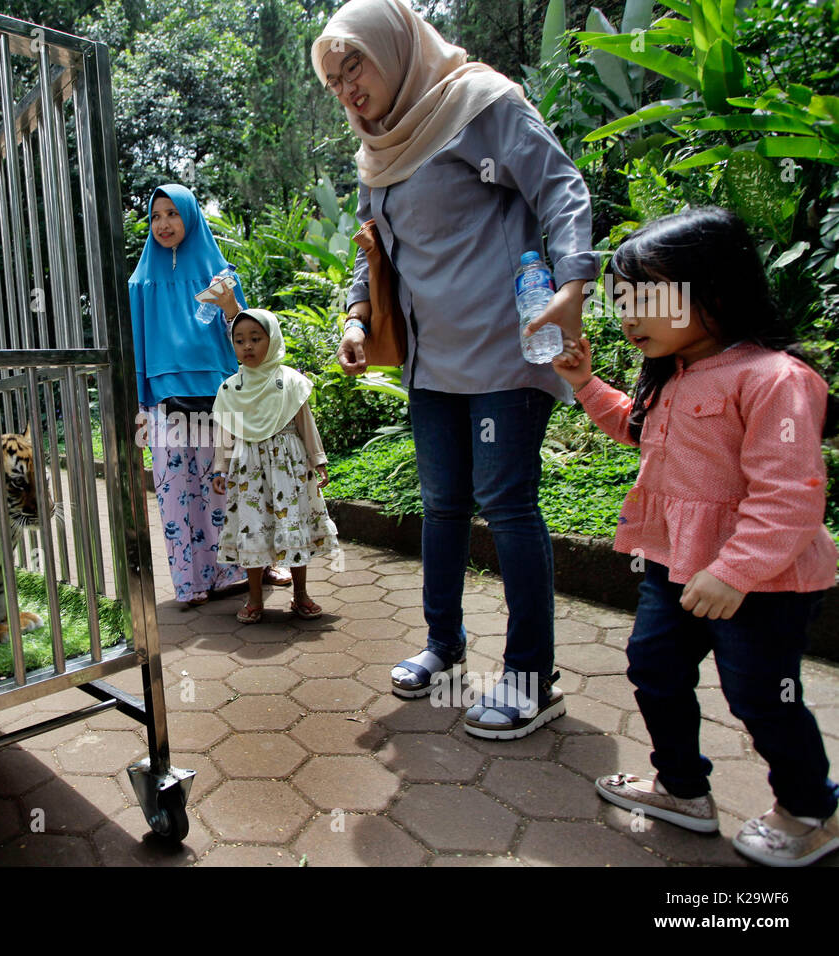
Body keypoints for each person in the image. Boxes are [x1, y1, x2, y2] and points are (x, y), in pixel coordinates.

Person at [312, 0, 599, 739]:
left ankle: (533, 679)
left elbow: (561, 185)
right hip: (430, 362)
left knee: (505, 504)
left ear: (395, 49)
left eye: (357, 69)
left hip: (507, 345)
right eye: (334, 82)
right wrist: (354, 318)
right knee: (441, 506)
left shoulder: (480, 105)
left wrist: (572, 284)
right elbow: (369, 245)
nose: (349, 91)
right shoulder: (377, 150)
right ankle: (445, 647)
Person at [553, 207, 838, 866]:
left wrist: (735, 571)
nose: (629, 316)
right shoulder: (675, 373)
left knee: (763, 698)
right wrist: (585, 384)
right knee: (654, 668)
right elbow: (637, 428)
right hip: (673, 565)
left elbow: (791, 494)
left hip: (763, 583)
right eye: (622, 300)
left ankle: (811, 810)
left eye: (647, 297)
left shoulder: (774, 379)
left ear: (716, 289)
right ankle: (681, 789)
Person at [128, 183, 291, 606]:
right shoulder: (141, 283)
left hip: (222, 394)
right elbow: (138, 348)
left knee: (236, 484)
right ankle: (193, 582)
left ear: (191, 216)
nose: (164, 224)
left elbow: (248, 337)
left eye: (173, 214)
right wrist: (141, 403)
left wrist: (230, 304)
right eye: (156, 216)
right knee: (176, 492)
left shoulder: (221, 275)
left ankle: (256, 564)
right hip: (166, 399)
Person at [210, 309, 339, 623]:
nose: (248, 347)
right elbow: (225, 431)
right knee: (251, 528)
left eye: (256, 338)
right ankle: (255, 599)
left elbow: (306, 424)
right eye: (240, 340)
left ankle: (301, 595)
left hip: (288, 466)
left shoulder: (291, 382)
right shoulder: (230, 388)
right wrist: (220, 468)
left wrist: (318, 459)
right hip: (248, 467)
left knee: (292, 525)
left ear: (273, 339)